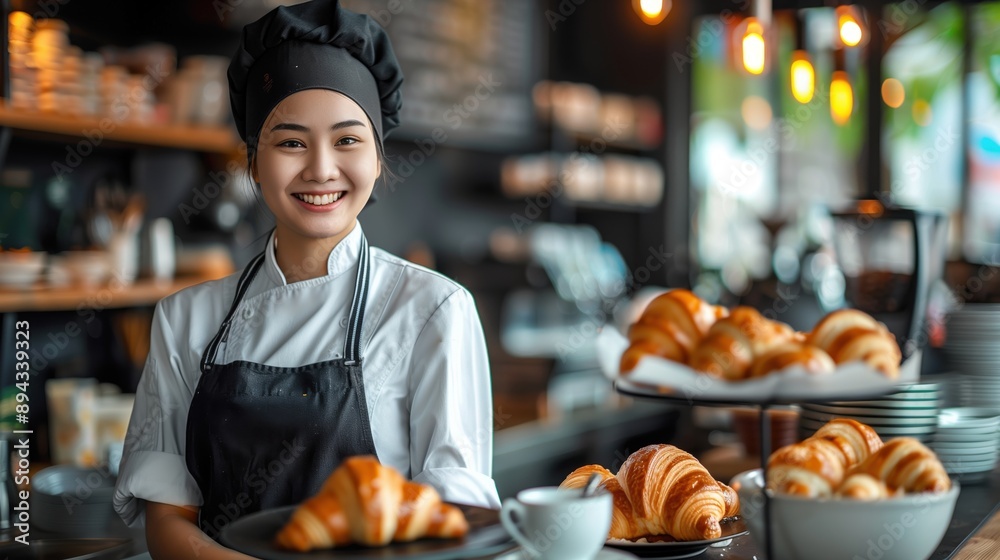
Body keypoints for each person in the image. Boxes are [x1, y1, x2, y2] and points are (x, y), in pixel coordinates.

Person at [112, 1, 500, 557]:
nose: (320, 168)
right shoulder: (185, 319)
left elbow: (455, 523)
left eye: (347, 140)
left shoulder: (434, 311)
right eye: (291, 141)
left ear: (377, 156)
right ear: (253, 160)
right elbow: (169, 522)